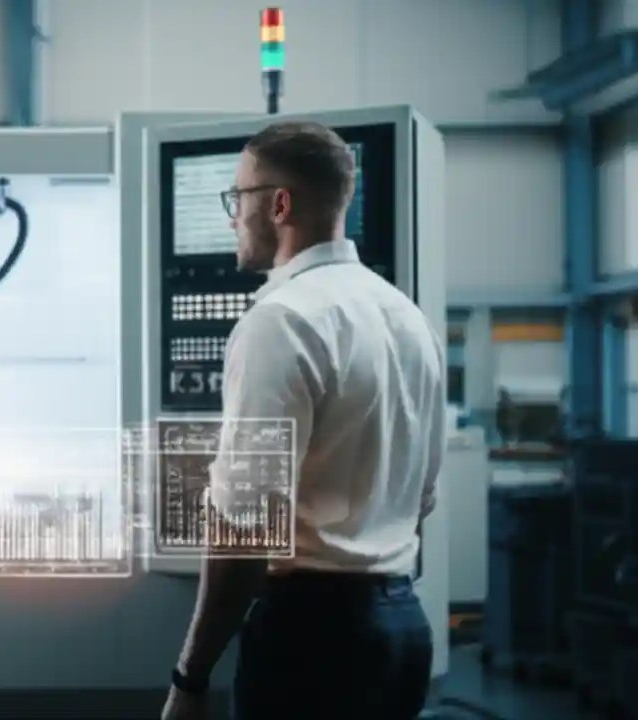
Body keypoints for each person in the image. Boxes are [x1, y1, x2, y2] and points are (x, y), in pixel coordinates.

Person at [160, 122, 445, 720]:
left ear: (280, 204)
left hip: (313, 642)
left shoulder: (281, 320)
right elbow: (421, 496)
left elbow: (245, 534)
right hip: (401, 630)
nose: (233, 215)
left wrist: (190, 677)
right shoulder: (406, 317)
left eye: (238, 198)